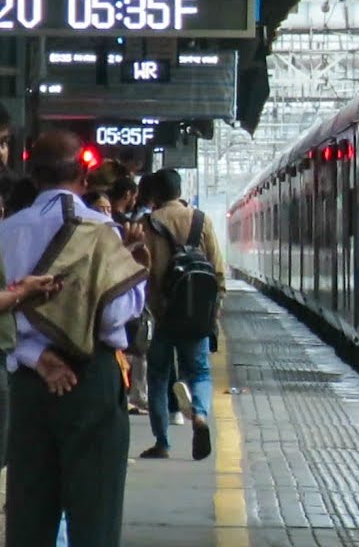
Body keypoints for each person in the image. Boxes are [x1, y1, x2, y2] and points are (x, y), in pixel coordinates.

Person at [1, 129, 149, 547]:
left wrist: (36, 356)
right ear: (84, 179)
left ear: (32, 175)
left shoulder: (7, 231)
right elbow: (116, 315)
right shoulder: (101, 230)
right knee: (95, 513)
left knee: (29, 510)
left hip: (28, 385)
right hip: (93, 379)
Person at [140, 168, 226, 460]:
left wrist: (153, 308)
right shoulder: (202, 220)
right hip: (197, 314)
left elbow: (145, 272)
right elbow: (217, 270)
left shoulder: (150, 223)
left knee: (158, 377)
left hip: (164, 315)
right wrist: (213, 313)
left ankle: (162, 442)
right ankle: (200, 415)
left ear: (155, 195)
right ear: (179, 191)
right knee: (200, 371)